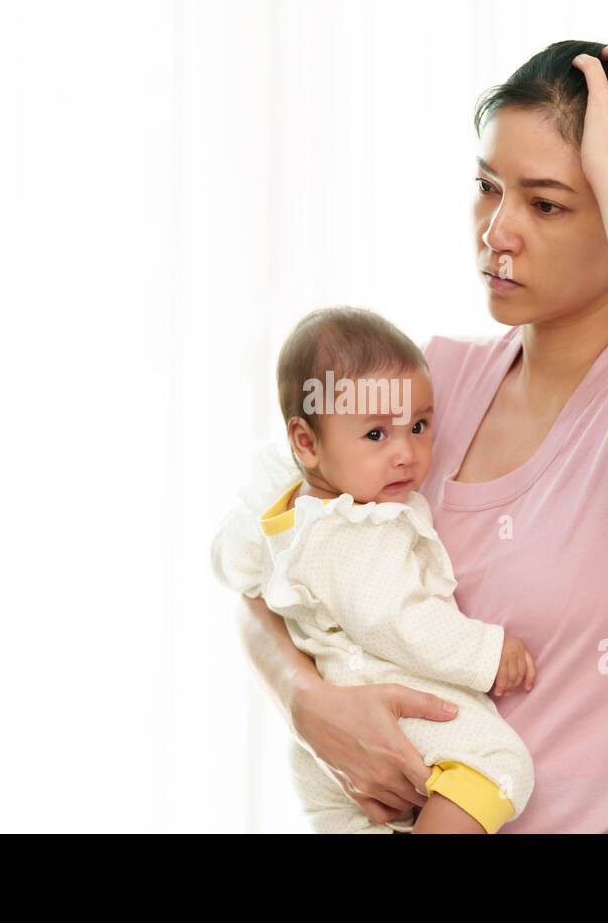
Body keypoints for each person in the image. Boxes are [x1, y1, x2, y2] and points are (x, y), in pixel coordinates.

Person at [222, 40, 608, 833]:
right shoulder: (425, 389)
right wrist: (308, 702)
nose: (497, 231)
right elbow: (266, 559)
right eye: (487, 187)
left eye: (546, 203)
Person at [212, 306, 536, 834]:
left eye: (420, 426)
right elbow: (397, 619)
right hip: (391, 710)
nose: (407, 453)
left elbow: (234, 564)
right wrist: (487, 652)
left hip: (323, 753)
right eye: (376, 436)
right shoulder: (359, 529)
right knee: (500, 765)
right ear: (306, 443)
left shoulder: (284, 507)